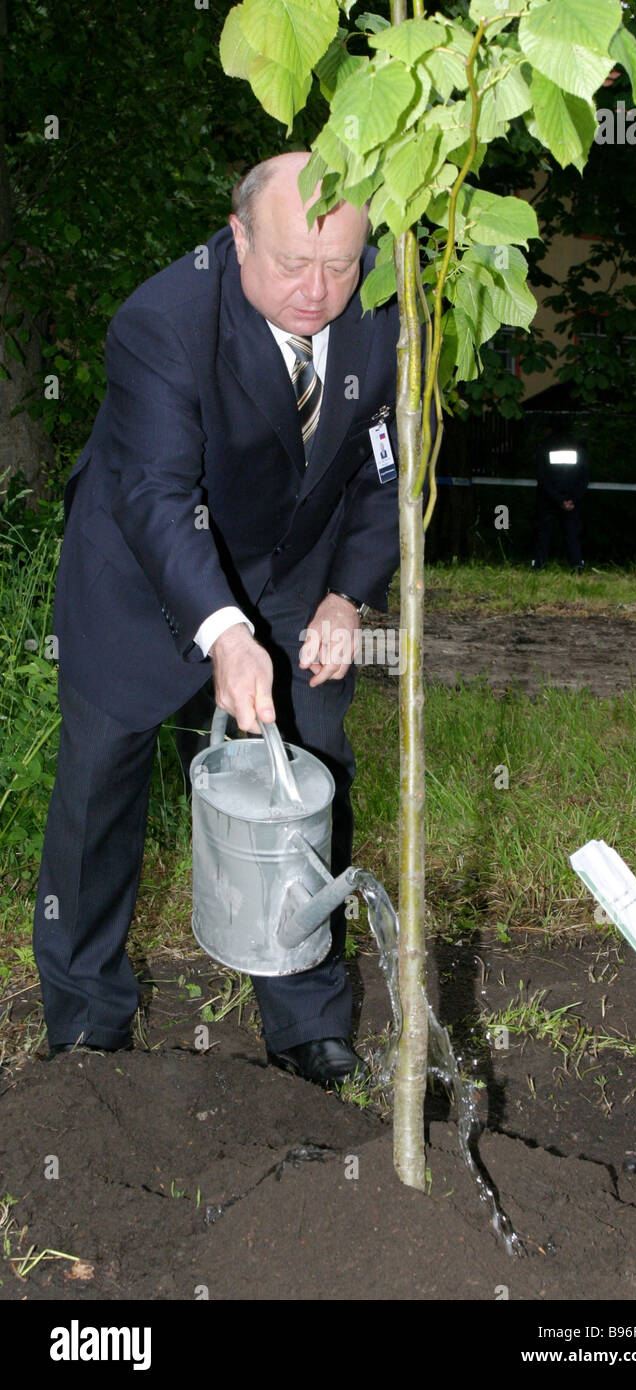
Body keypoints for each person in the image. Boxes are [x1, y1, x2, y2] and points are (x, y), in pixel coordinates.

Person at [32, 151, 401, 1087]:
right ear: (238, 236)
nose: (320, 293)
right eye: (292, 265)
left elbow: (382, 475)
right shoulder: (162, 323)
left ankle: (306, 1022)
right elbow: (157, 496)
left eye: (341, 265)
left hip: (293, 573)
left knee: (309, 778)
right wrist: (224, 634)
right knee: (98, 793)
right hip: (140, 576)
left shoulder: (386, 311)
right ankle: (87, 1028)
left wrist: (346, 595)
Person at [531, 428, 589, 574]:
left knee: (543, 534)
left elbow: (542, 477)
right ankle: (577, 567)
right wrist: (573, 499)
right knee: (572, 535)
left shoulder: (545, 448)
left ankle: (539, 566)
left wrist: (558, 499)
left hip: (548, 499)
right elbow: (584, 477)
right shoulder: (578, 449)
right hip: (571, 500)